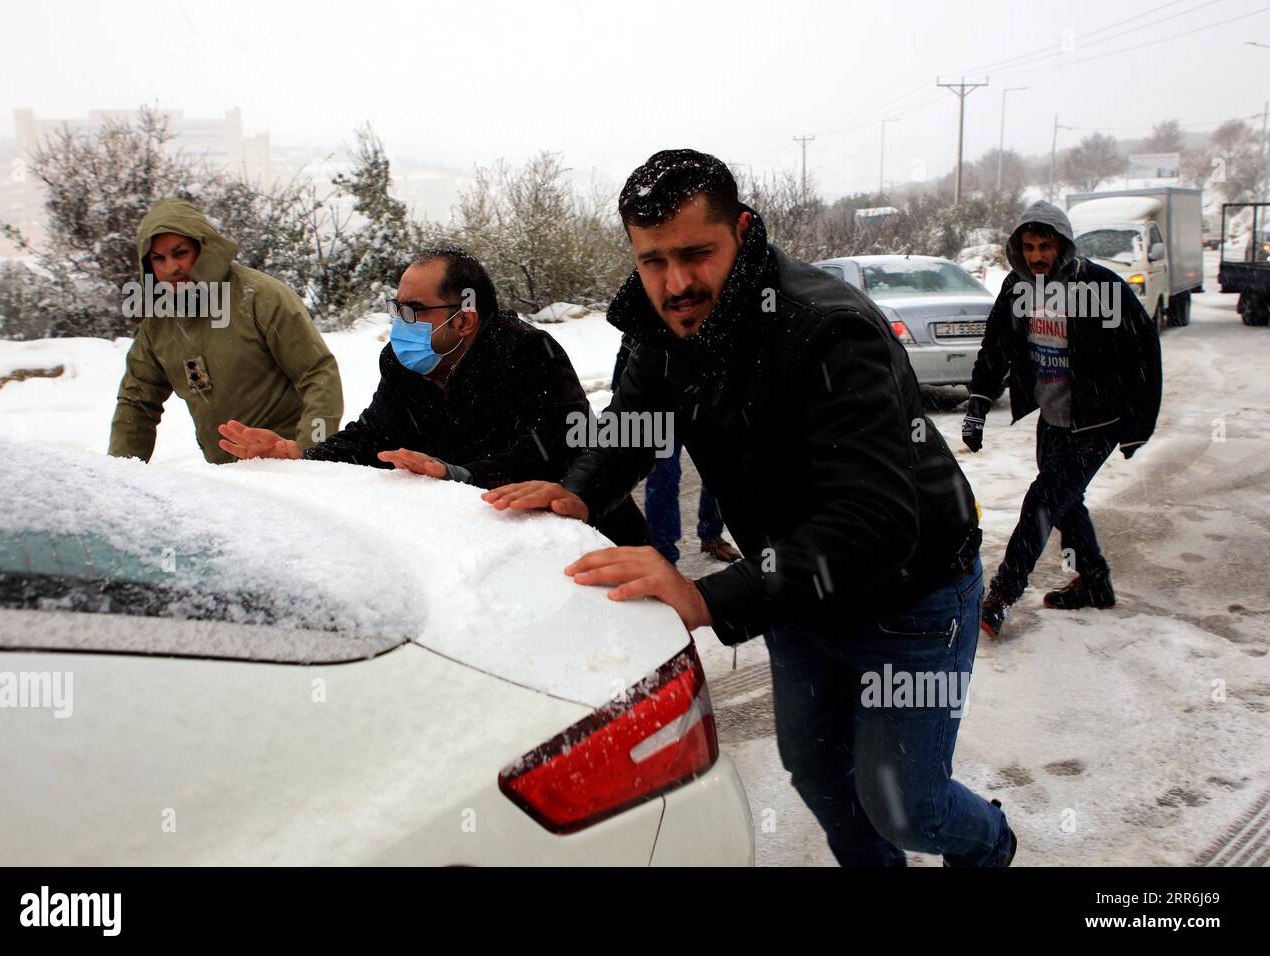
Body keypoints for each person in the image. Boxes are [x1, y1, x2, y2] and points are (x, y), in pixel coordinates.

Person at [483, 150, 1014, 867]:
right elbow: (637, 420)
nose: (676, 284)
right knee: (819, 773)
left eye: (697, 254)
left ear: (742, 229)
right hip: (795, 594)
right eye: (653, 261)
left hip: (910, 597)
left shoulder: (825, 326)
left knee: (905, 806)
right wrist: (577, 486)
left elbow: (877, 521)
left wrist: (707, 600)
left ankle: (989, 845)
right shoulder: (660, 322)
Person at [219, 247, 647, 545]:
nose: (401, 322)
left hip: (587, 530)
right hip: (488, 539)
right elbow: (373, 436)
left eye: (415, 310)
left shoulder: (527, 350)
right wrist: (305, 459)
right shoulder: (400, 364)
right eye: (398, 307)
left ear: (465, 320)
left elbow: (556, 445)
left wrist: (457, 474)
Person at [961, 201, 1161, 637]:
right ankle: (1094, 582)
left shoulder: (1100, 288)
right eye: (1029, 247)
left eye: (1045, 246)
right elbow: (995, 346)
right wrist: (977, 405)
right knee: (1064, 501)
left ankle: (1000, 595)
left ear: (1063, 246)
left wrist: (1137, 426)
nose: (1036, 256)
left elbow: (1143, 350)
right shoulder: (1018, 288)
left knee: (1042, 501)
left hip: (1096, 421)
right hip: (1052, 418)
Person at [108, 198, 343, 464]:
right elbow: (136, 403)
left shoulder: (261, 297)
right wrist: (117, 474)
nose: (171, 268)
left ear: (203, 248)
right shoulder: (158, 323)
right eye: (158, 258)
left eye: (180, 253)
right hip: (227, 481)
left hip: (287, 468)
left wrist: (309, 449)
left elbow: (319, 373)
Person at [611, 337, 741, 564]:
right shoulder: (649, 312)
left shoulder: (712, 311)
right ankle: (664, 554)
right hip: (660, 412)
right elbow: (629, 350)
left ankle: (711, 535)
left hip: (705, 405)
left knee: (718, 473)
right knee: (663, 480)